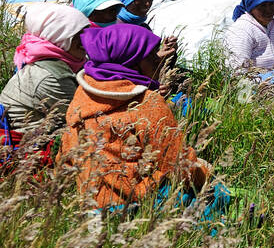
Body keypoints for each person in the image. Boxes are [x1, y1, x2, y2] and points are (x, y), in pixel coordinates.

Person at [61, 24, 222, 215]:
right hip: (138, 203)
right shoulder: (146, 102)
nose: (158, 61)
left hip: (91, 201)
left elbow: (66, 153)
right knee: (221, 195)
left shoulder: (83, 95)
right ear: (131, 62)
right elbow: (177, 162)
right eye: (152, 57)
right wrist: (207, 177)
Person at [0, 4, 90, 166]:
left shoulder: (48, 61)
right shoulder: (52, 76)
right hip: (28, 156)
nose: (85, 40)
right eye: (78, 35)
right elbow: (80, 120)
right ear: (59, 37)